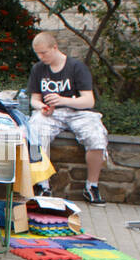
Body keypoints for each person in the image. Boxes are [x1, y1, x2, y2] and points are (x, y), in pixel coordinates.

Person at [25, 32, 109, 205]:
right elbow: (34, 99)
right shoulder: (38, 69)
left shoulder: (76, 67)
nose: (41, 57)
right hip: (51, 113)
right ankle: (43, 185)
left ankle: (92, 186)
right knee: (35, 132)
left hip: (78, 111)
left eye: (44, 53)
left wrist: (63, 100)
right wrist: (42, 107)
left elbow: (89, 100)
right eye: (37, 54)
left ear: (54, 47)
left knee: (96, 136)